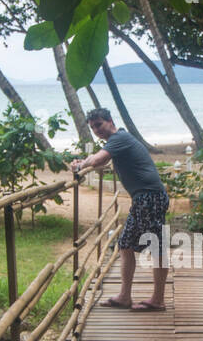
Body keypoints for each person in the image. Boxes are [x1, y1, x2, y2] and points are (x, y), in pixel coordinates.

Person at [69, 108, 170, 312]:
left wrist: (79, 166)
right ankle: (127, 296)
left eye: (99, 124)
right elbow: (103, 160)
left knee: (153, 247)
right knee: (127, 245)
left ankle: (156, 300)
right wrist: (83, 162)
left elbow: (97, 160)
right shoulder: (118, 140)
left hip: (149, 198)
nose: (96, 130)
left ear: (110, 121)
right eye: (93, 127)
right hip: (147, 197)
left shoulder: (118, 138)